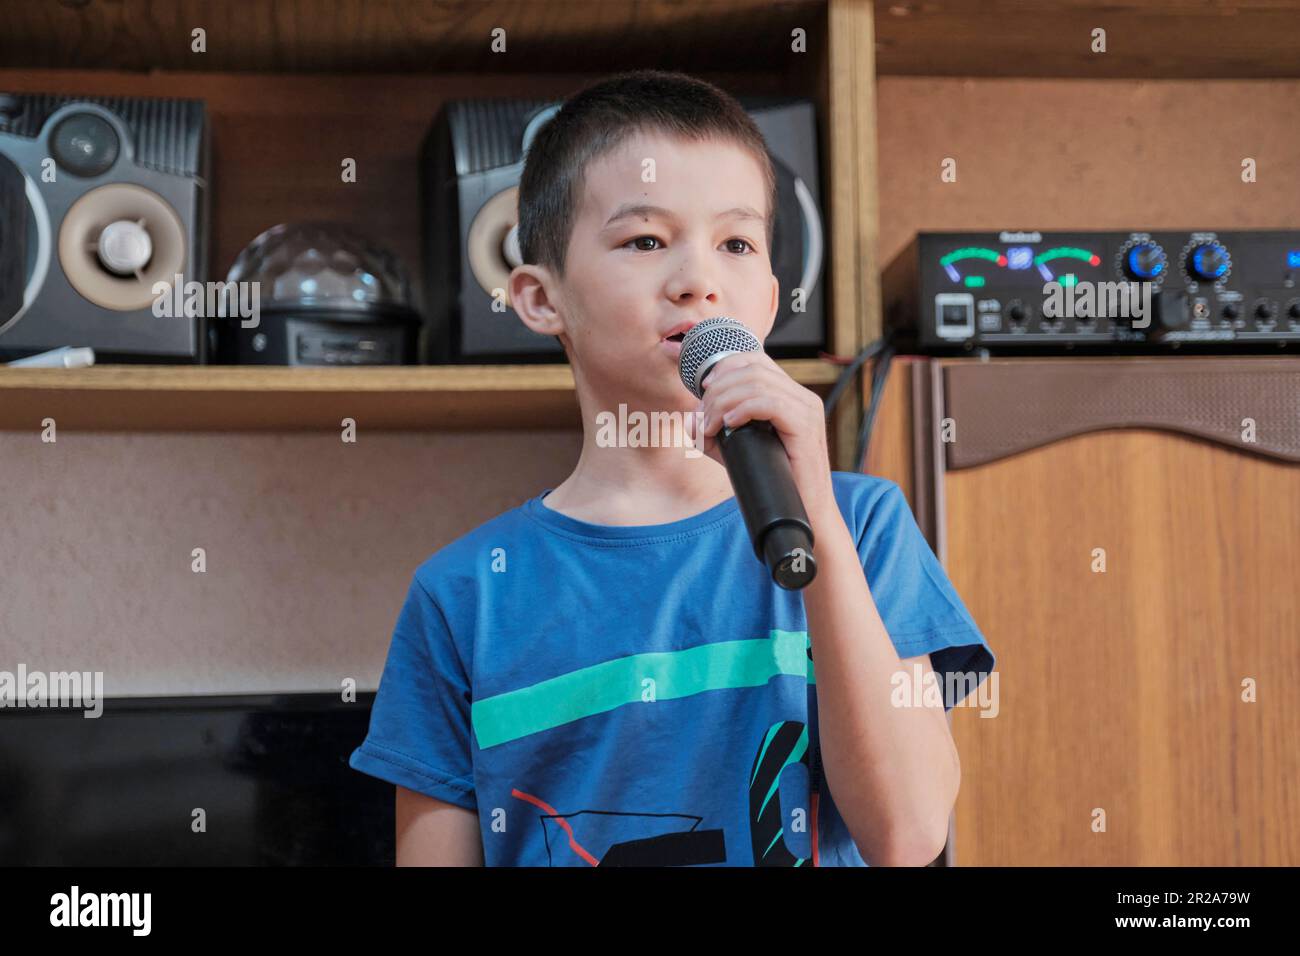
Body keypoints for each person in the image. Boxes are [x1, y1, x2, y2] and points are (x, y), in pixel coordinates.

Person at [349, 69, 995, 866]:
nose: (699, 280)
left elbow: (907, 833)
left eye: (736, 243)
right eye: (646, 240)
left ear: (767, 299)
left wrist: (814, 515)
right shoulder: (463, 596)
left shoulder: (862, 528)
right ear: (539, 299)